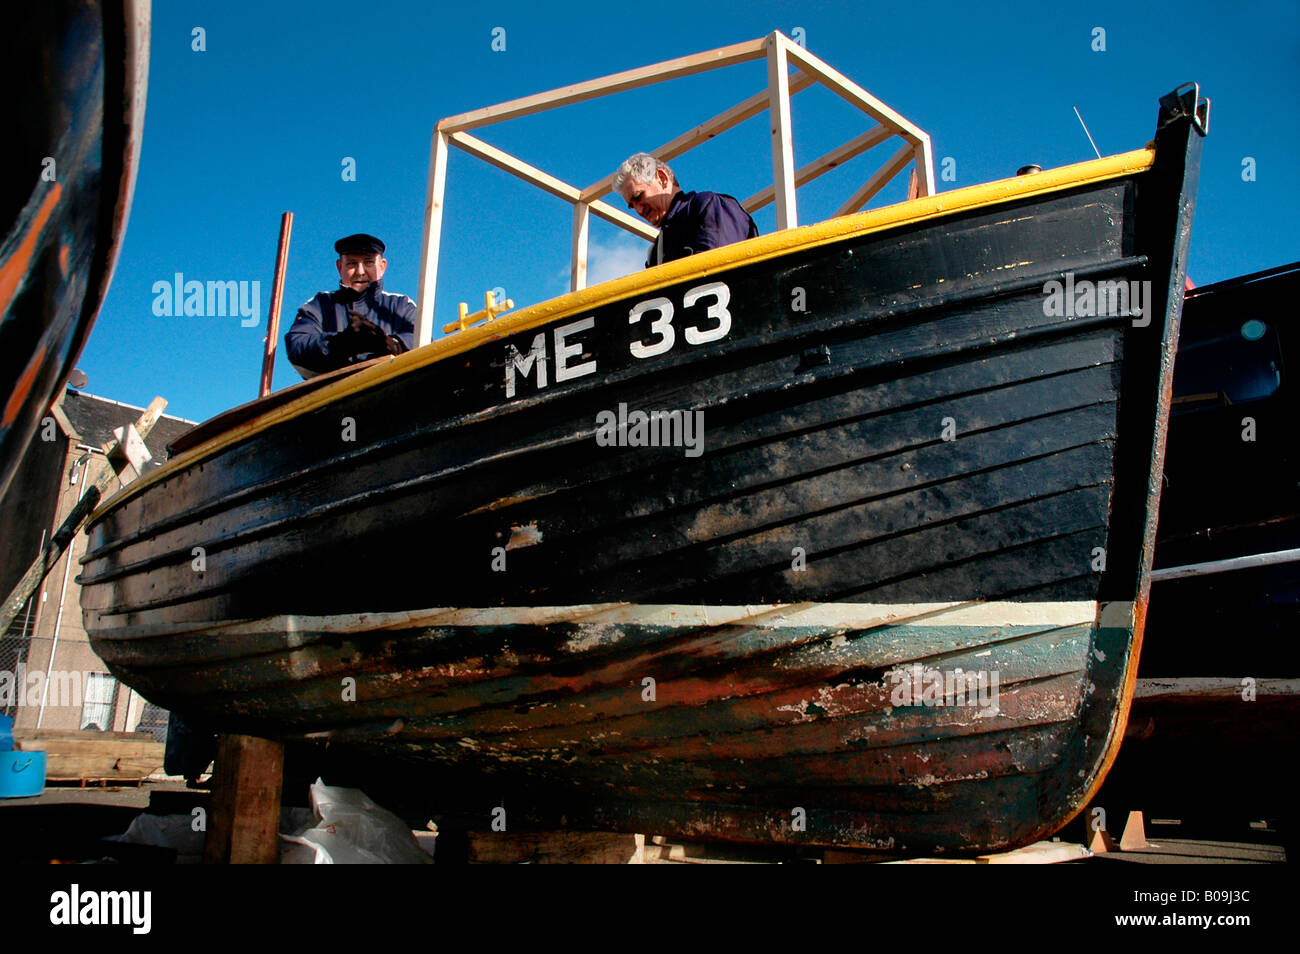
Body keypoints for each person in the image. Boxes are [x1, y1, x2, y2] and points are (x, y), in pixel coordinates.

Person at [285, 233, 417, 378]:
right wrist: (341, 343)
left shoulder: (401, 305)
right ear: (339, 266)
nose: (360, 272)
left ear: (382, 266)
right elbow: (296, 346)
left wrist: (393, 344)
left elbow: (423, 340)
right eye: (352, 263)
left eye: (368, 263)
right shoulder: (319, 304)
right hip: (337, 396)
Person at [612, 153, 759, 268]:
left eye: (638, 196)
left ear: (662, 179)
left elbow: (716, 271)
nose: (638, 210)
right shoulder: (657, 250)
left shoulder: (706, 206)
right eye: (632, 206)